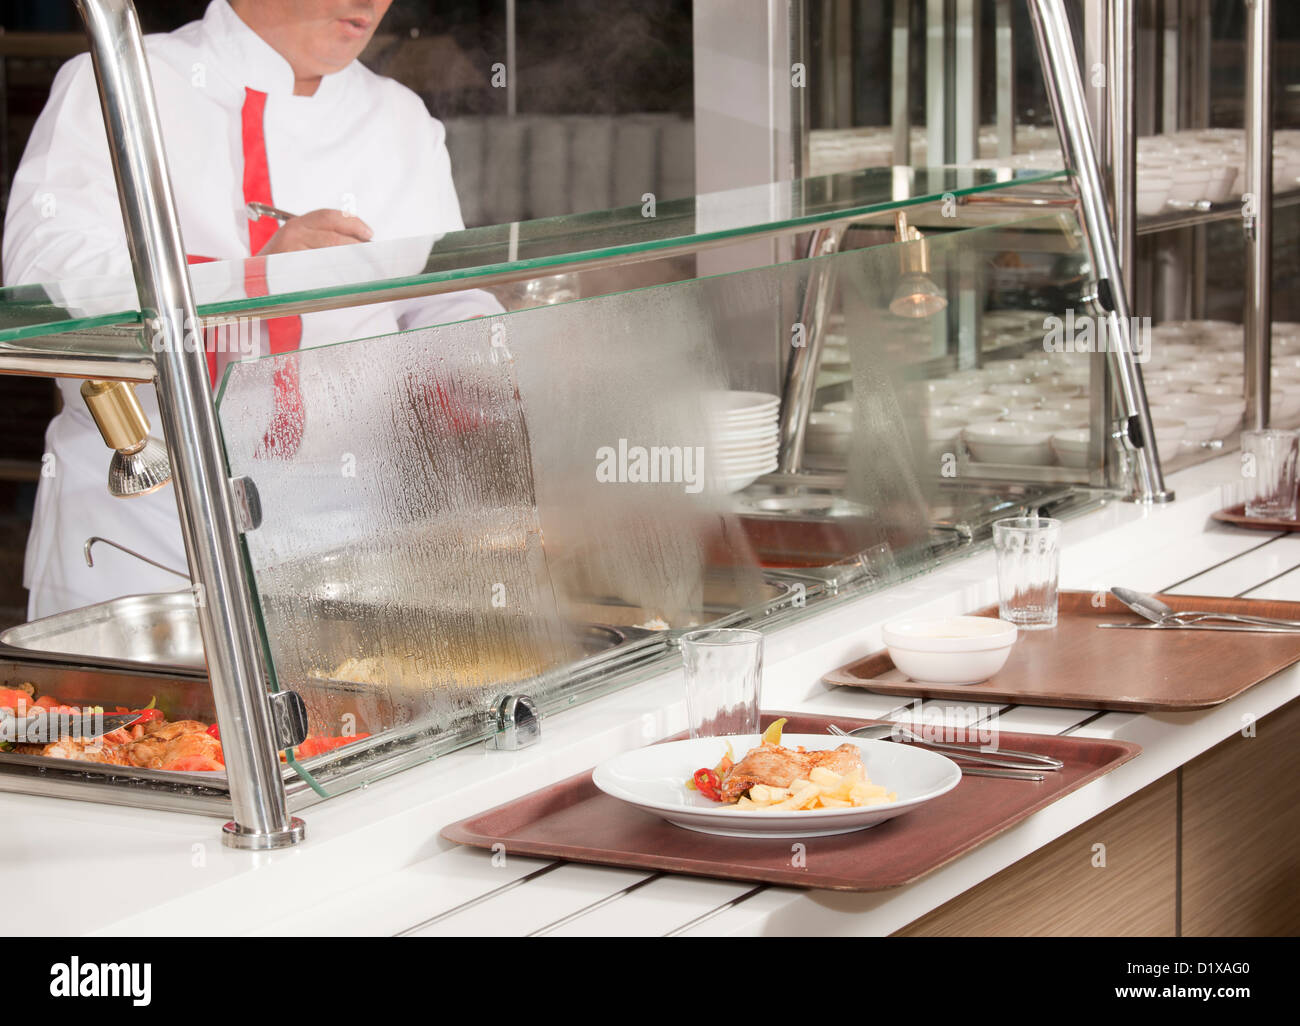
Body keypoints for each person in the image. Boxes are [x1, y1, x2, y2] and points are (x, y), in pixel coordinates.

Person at [3, 0, 497, 619]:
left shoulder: (399, 117)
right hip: (145, 532)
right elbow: (42, 283)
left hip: (353, 539)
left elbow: (441, 297)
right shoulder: (122, 81)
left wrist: (487, 358)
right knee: (145, 721)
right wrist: (246, 283)